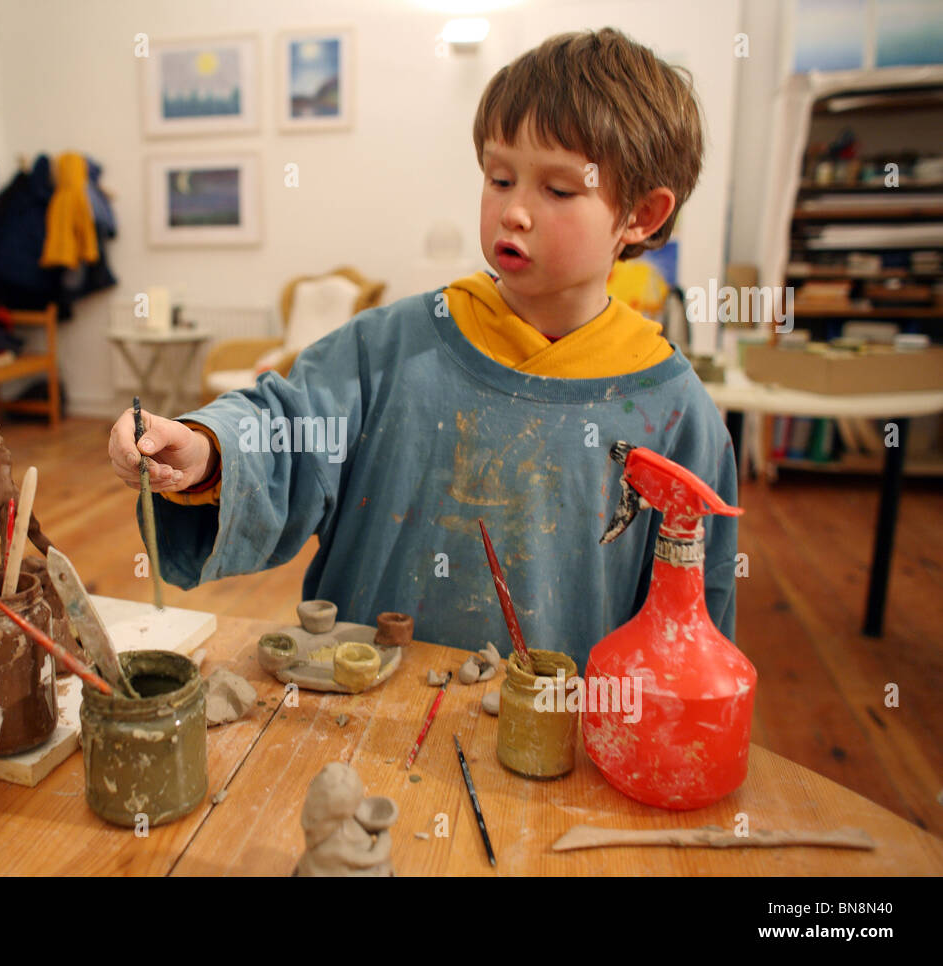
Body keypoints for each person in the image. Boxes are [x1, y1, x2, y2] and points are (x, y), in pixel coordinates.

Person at [108, 28, 737, 665]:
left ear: (643, 215)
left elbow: (695, 631)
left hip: (559, 738)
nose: (514, 211)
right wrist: (206, 449)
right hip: (364, 709)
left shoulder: (676, 413)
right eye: (499, 178)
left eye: (558, 189)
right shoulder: (390, 346)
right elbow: (286, 424)